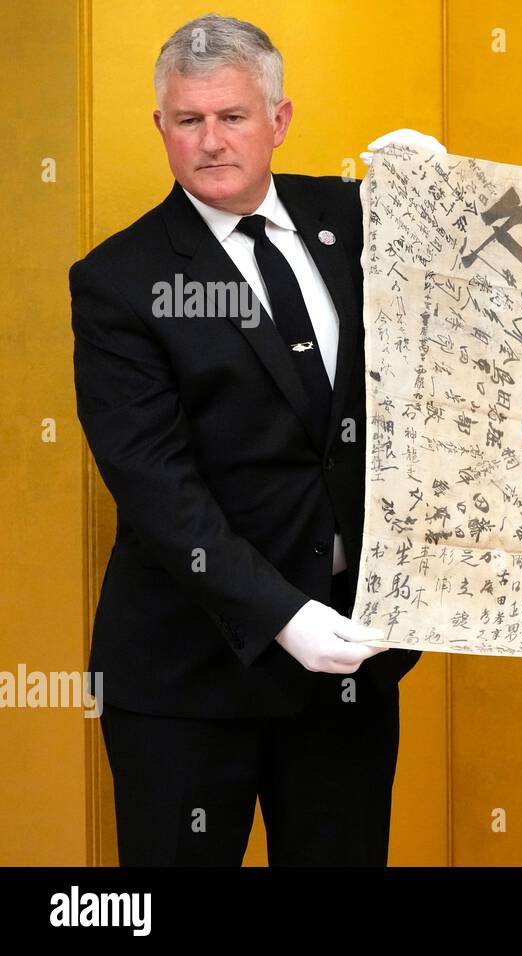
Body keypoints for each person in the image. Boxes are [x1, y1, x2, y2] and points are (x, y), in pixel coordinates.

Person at [69, 14, 429, 865]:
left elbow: (486, 320)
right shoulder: (119, 281)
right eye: (188, 120)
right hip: (188, 677)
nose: (211, 141)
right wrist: (282, 616)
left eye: (233, 116)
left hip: (348, 664)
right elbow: (156, 484)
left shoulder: (360, 217)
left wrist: (442, 200)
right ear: (161, 127)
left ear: (280, 118)